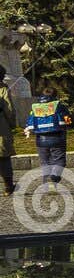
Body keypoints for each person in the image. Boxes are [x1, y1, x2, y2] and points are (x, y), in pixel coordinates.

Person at [24, 84, 71, 186]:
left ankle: (47, 182)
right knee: (59, 160)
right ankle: (54, 178)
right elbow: (67, 120)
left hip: (41, 140)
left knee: (45, 161)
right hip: (57, 138)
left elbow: (30, 122)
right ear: (55, 95)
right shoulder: (59, 106)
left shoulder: (36, 107)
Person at [0, 68, 15, 196]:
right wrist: (12, 124)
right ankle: (8, 187)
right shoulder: (3, 89)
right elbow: (9, 109)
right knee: (4, 158)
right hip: (2, 127)